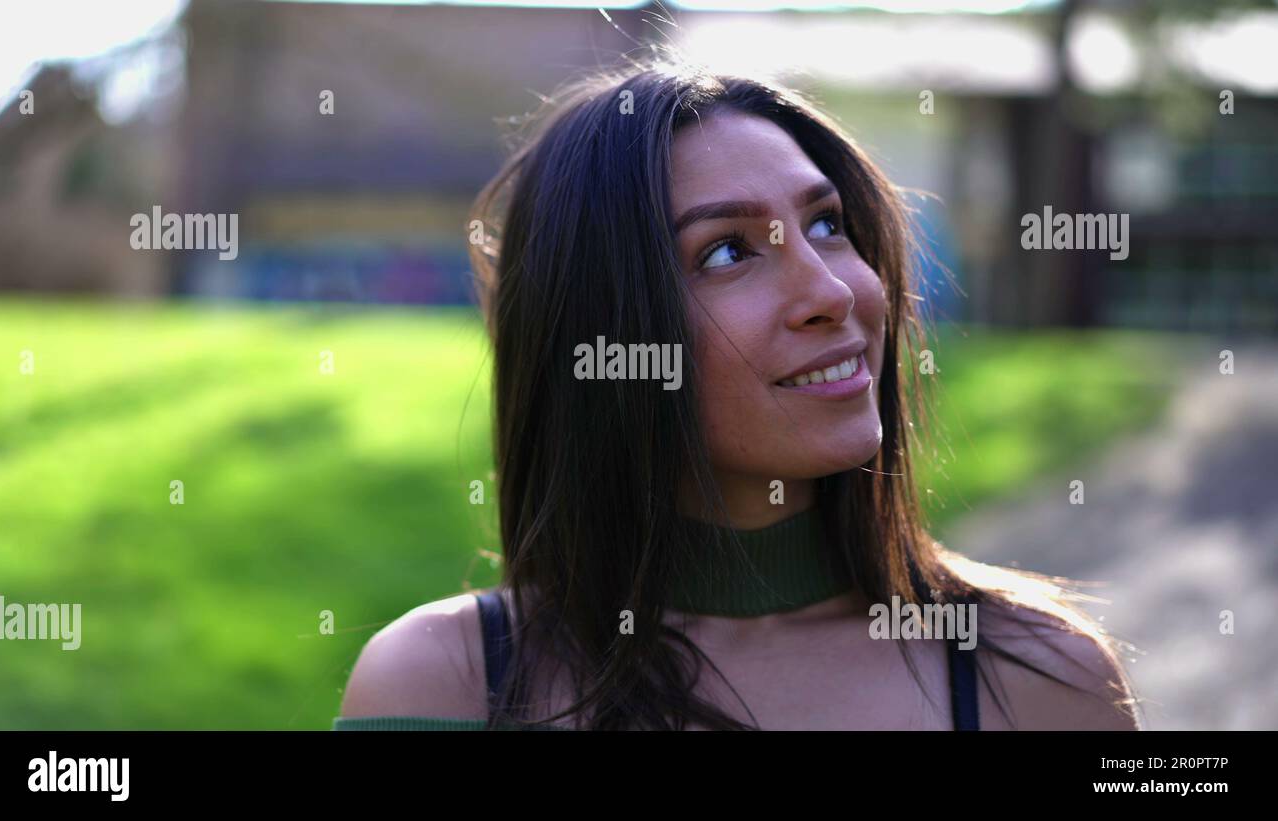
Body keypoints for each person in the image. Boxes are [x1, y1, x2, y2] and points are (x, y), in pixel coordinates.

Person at [335, 62, 1141, 731]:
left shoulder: (1041, 677)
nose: (832, 291)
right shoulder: (443, 684)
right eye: (727, 251)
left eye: (827, 224)